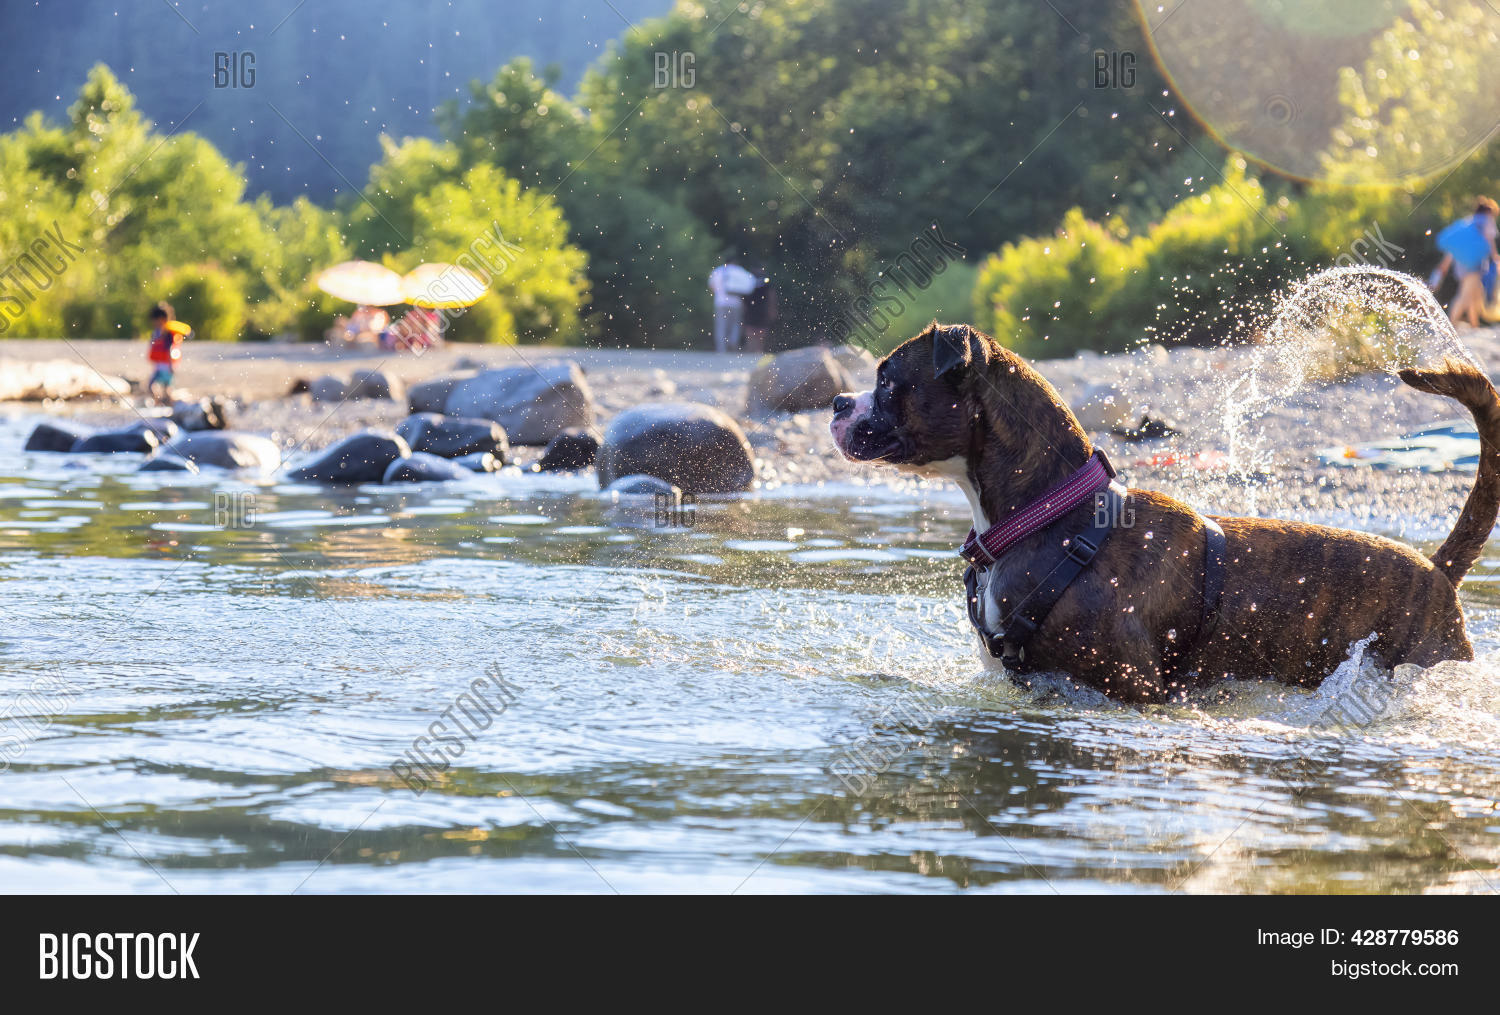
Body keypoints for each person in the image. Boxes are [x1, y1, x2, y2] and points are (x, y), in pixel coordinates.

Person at [1429, 197, 1500, 328]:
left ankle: (1474, 324)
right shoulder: (1486, 222)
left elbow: (1455, 248)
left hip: (1462, 264)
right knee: (1464, 295)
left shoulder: (1469, 223)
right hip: (1474, 265)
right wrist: (1496, 259)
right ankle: (1451, 325)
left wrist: (1444, 265)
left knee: (1476, 293)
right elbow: (1490, 242)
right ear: (1490, 213)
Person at [145, 301, 191, 405]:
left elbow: (170, 348)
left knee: (167, 388)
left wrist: (171, 366)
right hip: (158, 365)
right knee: (151, 386)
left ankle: (169, 405)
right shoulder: (156, 333)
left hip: (167, 366)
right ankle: (158, 403)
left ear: (162, 319)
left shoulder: (168, 334)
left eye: (156, 321)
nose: (154, 323)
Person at [708, 258, 757, 352]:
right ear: (735, 263)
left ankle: (721, 349)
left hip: (721, 303)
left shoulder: (718, 271)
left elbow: (712, 286)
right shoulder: (740, 271)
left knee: (721, 326)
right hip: (736, 304)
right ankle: (733, 344)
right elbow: (750, 285)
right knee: (735, 325)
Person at [741, 271, 777, 353]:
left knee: (753, 331)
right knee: (758, 332)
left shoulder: (747, 283)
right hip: (760, 310)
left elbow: (743, 299)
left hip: (756, 311)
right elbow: (772, 297)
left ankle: (754, 351)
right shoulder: (766, 285)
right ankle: (756, 351)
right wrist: (772, 310)